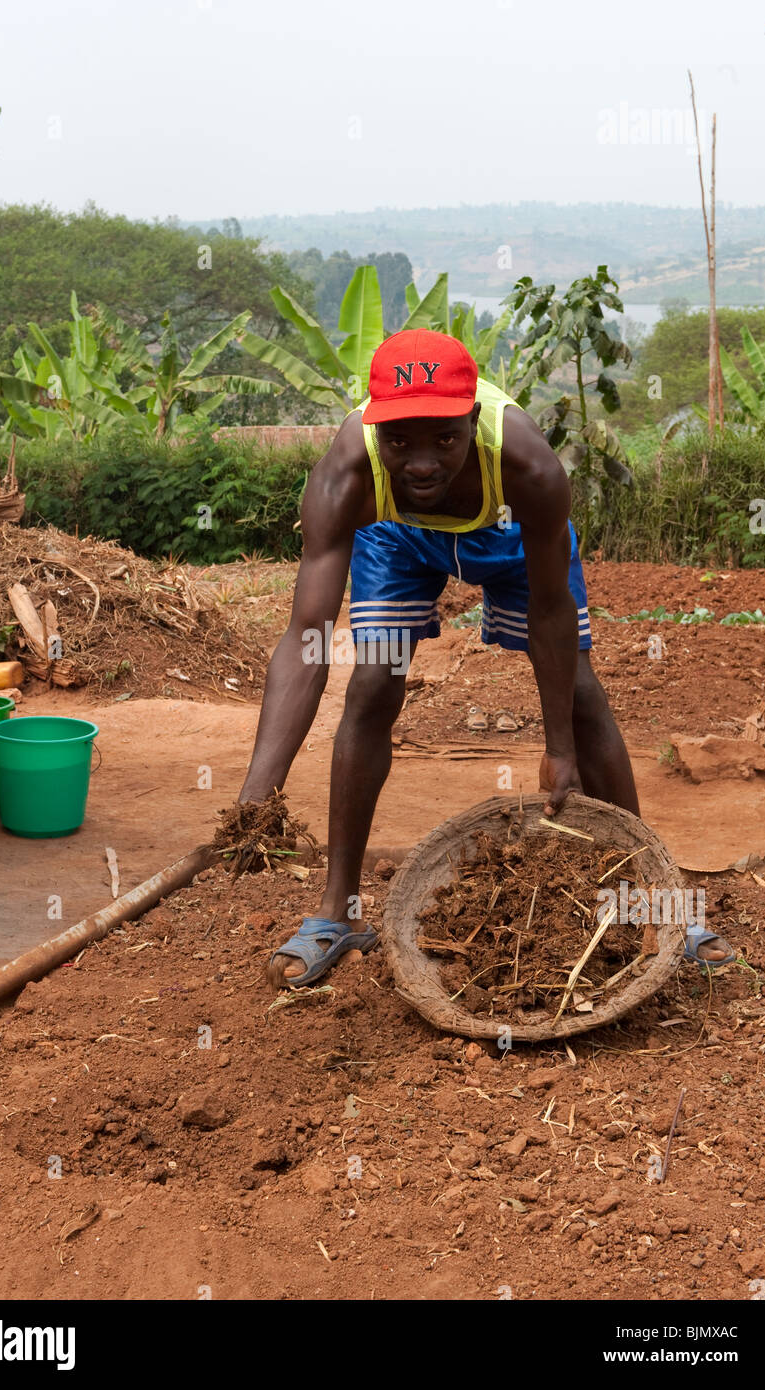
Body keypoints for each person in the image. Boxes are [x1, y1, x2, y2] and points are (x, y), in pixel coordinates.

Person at [237, 329, 734, 983]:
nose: (419, 462)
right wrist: (256, 796)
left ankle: (657, 900)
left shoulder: (528, 467)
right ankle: (339, 912)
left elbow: (551, 611)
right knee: (373, 685)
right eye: (399, 441)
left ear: (472, 420)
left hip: (506, 534)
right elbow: (306, 635)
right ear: (375, 429)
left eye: (443, 438)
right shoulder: (347, 476)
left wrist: (558, 750)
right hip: (397, 540)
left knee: (581, 698)